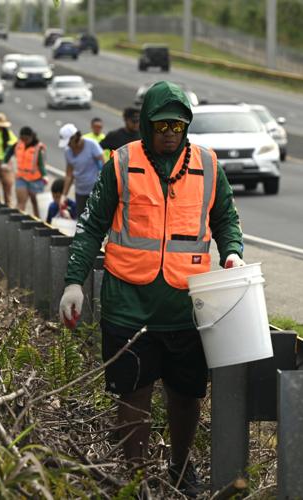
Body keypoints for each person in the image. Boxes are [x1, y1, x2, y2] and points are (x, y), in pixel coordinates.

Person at [58, 81, 245, 498]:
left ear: (186, 127)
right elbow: (91, 226)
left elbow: (227, 220)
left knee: (187, 393)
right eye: (161, 125)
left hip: (186, 304)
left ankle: (180, 466)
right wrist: (74, 281)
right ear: (146, 124)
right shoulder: (122, 163)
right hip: (129, 304)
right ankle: (136, 476)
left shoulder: (208, 166)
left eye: (177, 126)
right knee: (132, 392)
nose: (169, 133)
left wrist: (232, 252)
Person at [58, 123, 104, 218]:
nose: (69, 146)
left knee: (96, 219)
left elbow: (103, 166)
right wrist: (64, 195)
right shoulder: (68, 152)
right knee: (82, 220)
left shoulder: (92, 145)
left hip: (95, 190)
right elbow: (69, 175)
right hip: (80, 191)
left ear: (75, 137)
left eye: (69, 143)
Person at [3, 126, 48, 218]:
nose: (24, 141)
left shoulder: (38, 147)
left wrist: (44, 175)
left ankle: (38, 221)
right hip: (21, 177)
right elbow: (9, 152)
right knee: (20, 202)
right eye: (22, 139)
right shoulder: (18, 144)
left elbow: (41, 164)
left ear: (31, 137)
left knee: (36, 204)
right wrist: (4, 162)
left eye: (26, 139)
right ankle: (18, 221)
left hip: (36, 179)